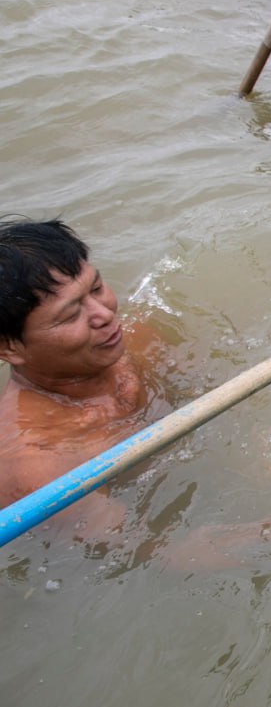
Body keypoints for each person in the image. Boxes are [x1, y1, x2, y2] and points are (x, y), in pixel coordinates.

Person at [0, 217, 164, 530]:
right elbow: (152, 549)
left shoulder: (138, 339)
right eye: (72, 314)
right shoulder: (37, 463)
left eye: (97, 288)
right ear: (9, 348)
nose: (105, 314)